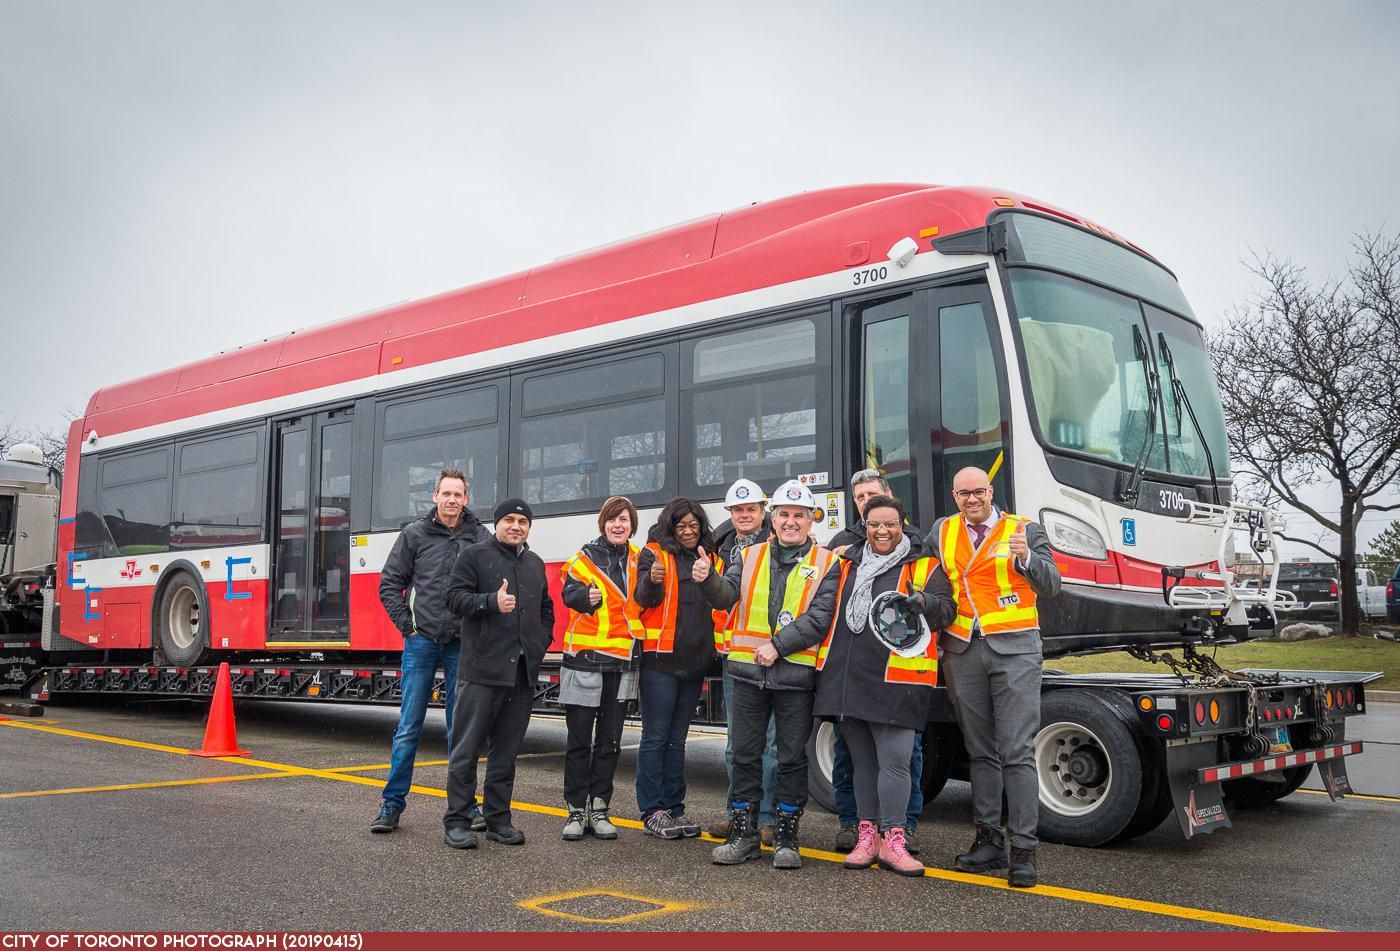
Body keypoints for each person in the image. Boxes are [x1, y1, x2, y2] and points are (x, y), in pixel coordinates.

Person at [929, 466, 1061, 887]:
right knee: (980, 750)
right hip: (962, 649)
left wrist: (1027, 559)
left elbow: (1052, 585)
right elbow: (917, 563)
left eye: (979, 492)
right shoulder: (942, 531)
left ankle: (1023, 851)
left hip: (1015, 649)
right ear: (955, 496)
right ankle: (988, 841)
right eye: (963, 493)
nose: (972, 499)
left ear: (991, 491)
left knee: (1016, 750)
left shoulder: (1024, 529)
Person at [812, 494, 956, 876]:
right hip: (850, 677)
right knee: (862, 764)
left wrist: (925, 602)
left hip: (899, 680)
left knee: (895, 763)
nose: (882, 531)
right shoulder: (845, 565)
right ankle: (867, 837)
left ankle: (894, 840)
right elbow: (823, 612)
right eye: (874, 524)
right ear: (865, 526)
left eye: (890, 524)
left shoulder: (924, 565)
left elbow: (947, 610)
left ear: (901, 525)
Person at [701, 479, 839, 870]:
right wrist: (707, 580)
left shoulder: (828, 563)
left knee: (791, 760)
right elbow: (727, 596)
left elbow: (820, 618)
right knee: (745, 757)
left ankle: (786, 839)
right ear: (773, 519)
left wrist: (778, 646)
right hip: (747, 674)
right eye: (785, 515)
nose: (791, 522)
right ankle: (743, 836)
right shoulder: (749, 555)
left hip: (795, 677)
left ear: (811, 521)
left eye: (799, 515)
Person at [372, 468, 489, 834]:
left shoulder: (479, 536)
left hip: (461, 644)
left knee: (461, 729)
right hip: (420, 641)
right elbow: (389, 583)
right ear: (435, 496)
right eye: (446, 493)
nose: (452, 500)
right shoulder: (414, 534)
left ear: (466, 499)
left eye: (458, 494)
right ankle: (391, 805)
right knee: (409, 726)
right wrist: (406, 625)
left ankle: (466, 805)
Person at [441, 498, 555, 850]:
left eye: (523, 521)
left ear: (529, 527)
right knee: (466, 750)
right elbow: (453, 598)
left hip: (520, 673)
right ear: (497, 523)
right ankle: (457, 821)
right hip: (481, 671)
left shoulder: (535, 563)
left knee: (505, 753)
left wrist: (540, 642)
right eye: (509, 520)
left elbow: (546, 609)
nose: (516, 526)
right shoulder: (474, 555)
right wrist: (490, 601)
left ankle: (498, 821)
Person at [827, 468, 927, 854]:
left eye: (872, 493)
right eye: (860, 497)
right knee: (849, 755)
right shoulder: (843, 547)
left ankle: (904, 826)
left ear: (888, 494)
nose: (866, 500)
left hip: (897, 674)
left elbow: (937, 603)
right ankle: (853, 824)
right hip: (853, 674)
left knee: (906, 755)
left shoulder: (917, 544)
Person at [633, 497, 729, 839]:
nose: (688, 532)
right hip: (660, 661)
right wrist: (651, 580)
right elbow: (641, 598)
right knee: (656, 736)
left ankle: (675, 808)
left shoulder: (712, 558)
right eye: (681, 526)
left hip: (695, 661)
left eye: (694, 526)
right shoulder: (654, 554)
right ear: (670, 527)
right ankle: (652, 810)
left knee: (677, 739)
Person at [557, 496, 643, 841]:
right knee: (579, 741)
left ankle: (600, 808)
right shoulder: (583, 560)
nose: (618, 525)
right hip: (585, 660)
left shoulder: (640, 559)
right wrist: (584, 599)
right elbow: (569, 594)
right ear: (603, 524)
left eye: (624, 519)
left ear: (632, 526)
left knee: (610, 742)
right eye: (612, 519)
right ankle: (576, 811)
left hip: (623, 663)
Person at [709, 478, 779, 843]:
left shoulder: (779, 544)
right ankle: (737, 816)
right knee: (737, 744)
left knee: (771, 743)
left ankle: (766, 819)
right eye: (738, 510)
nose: (744, 515)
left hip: (774, 655)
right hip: (735, 656)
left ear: (763, 511)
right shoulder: (721, 549)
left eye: (751, 508)